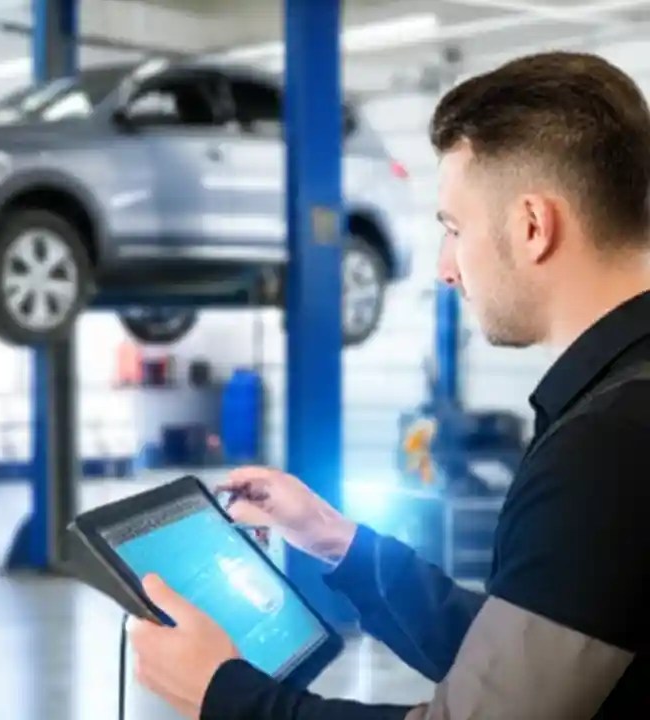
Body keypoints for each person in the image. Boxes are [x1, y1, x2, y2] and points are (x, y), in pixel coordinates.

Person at [129, 51, 650, 719]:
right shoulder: (625, 408)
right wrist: (336, 541)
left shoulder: (604, 448)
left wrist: (226, 696)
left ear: (530, 226)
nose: (444, 269)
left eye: (454, 230)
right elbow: (528, 657)